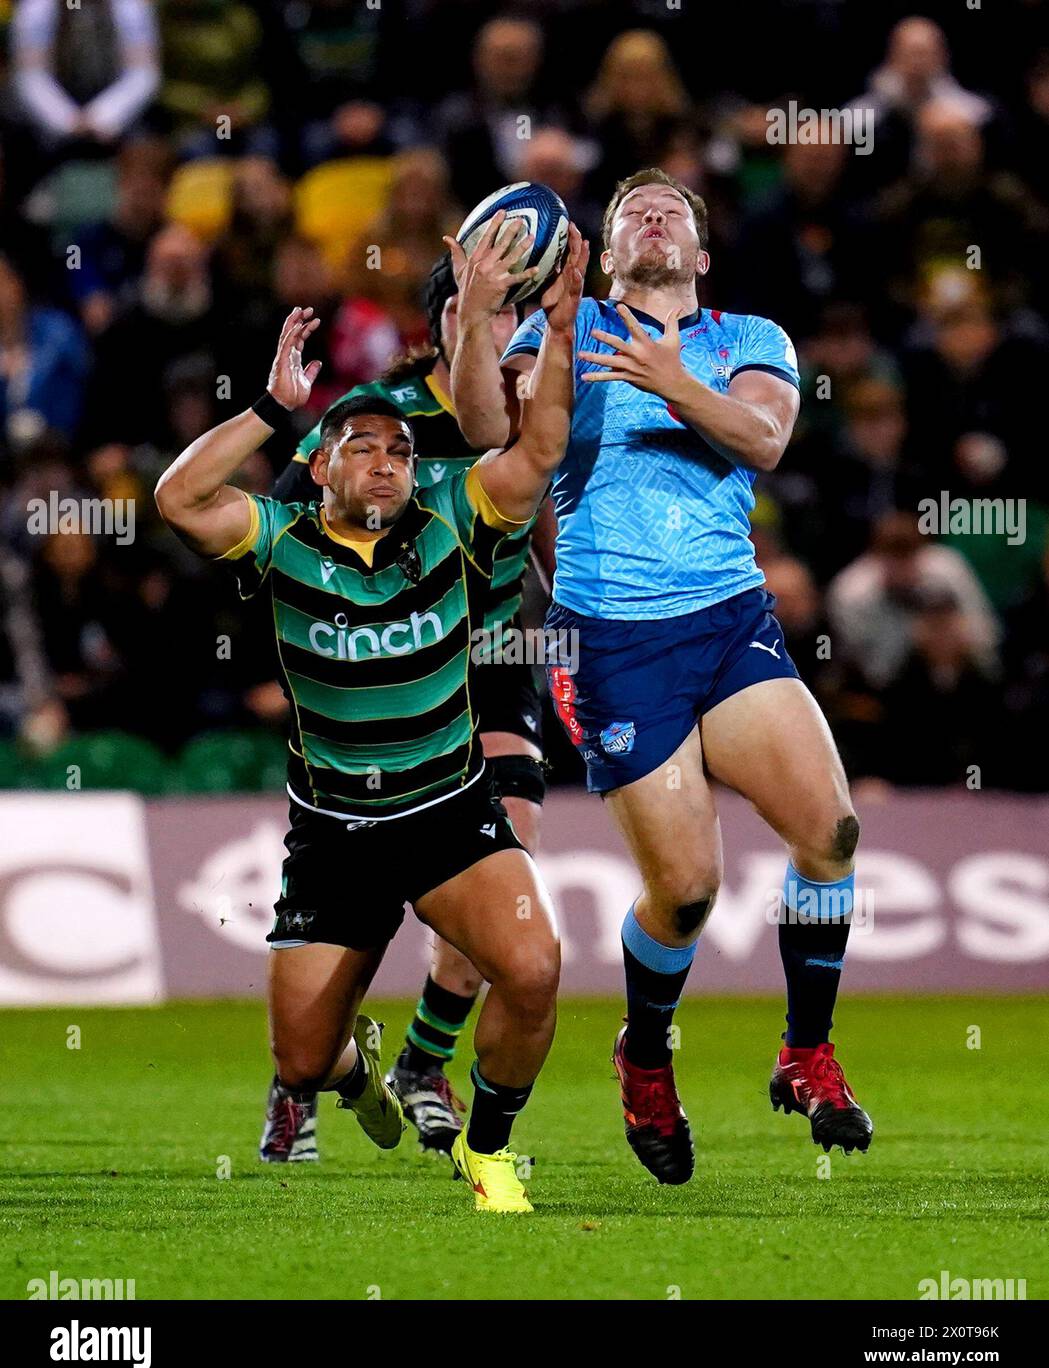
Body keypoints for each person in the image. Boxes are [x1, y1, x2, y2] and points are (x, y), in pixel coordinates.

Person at [450, 168, 873, 1185]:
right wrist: (473, 313)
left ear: (700, 254)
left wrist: (672, 380)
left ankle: (803, 1048)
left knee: (832, 832)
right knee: (683, 893)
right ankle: (643, 1059)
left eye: (673, 211)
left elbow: (764, 437)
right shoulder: (567, 327)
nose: (653, 216)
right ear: (597, 245)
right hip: (615, 639)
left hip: (730, 621)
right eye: (633, 209)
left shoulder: (748, 339)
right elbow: (480, 430)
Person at [154, 231, 585, 1213]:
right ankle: (355, 1074)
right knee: (301, 1057)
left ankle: (485, 1147)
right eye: (361, 445)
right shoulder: (277, 541)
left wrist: (555, 328)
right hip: (335, 834)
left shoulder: (457, 521)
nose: (388, 460)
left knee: (534, 968)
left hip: (445, 810)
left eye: (400, 448)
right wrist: (270, 406)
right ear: (317, 464)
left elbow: (541, 446)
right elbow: (177, 496)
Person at [259, 241, 550, 1162]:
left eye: (521, 315)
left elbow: (543, 515)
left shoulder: (526, 407)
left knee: (514, 842)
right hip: (367, 655)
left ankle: (424, 1062)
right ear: (447, 323)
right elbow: (284, 520)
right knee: (307, 1022)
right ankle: (306, 1072)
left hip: (485, 649)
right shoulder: (379, 421)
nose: (513, 333)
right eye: (496, 311)